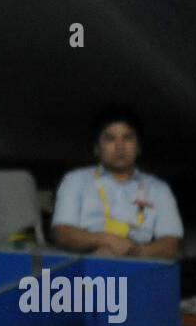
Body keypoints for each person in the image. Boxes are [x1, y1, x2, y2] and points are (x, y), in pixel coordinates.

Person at [49, 106, 183, 259]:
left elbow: (170, 245)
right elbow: (62, 233)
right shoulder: (75, 180)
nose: (120, 146)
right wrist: (106, 241)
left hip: (139, 262)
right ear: (96, 149)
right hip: (85, 260)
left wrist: (130, 252)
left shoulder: (158, 189)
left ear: (138, 147)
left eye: (127, 138)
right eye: (110, 139)